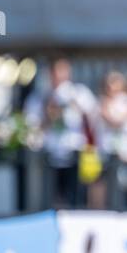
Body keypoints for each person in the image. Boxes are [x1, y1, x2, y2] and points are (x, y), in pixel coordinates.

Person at [24, 58, 97, 208]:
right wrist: (49, 114)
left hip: (76, 156)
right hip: (48, 158)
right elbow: (31, 130)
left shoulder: (80, 93)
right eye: (56, 71)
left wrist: (75, 106)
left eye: (63, 70)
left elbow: (95, 121)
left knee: (78, 201)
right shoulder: (39, 98)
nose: (59, 76)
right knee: (48, 202)